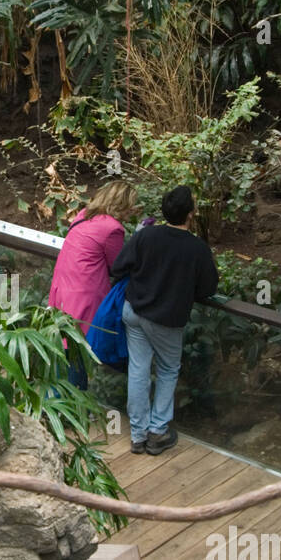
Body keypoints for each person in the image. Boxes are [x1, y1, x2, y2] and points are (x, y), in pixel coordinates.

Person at [109, 184, 218, 455]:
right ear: (191, 213)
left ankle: (137, 435)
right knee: (168, 369)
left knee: (138, 368)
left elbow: (119, 267)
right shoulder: (197, 249)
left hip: (134, 311)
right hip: (165, 320)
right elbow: (208, 289)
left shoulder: (146, 236)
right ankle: (157, 432)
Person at [48, 180, 139, 388]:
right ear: (121, 203)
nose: (133, 209)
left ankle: (59, 402)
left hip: (63, 288)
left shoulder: (83, 215)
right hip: (85, 294)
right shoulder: (113, 229)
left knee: (65, 346)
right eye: (131, 204)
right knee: (78, 351)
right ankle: (75, 405)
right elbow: (117, 266)